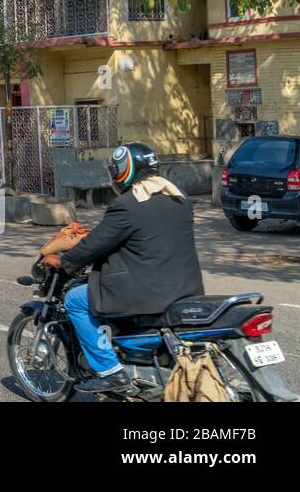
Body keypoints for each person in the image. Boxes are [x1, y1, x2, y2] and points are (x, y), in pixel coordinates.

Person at [42, 142, 205, 394]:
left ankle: (111, 372)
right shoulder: (179, 198)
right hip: (186, 287)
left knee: (75, 299)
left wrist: (65, 262)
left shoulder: (128, 204)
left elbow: (94, 246)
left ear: (123, 171)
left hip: (148, 292)